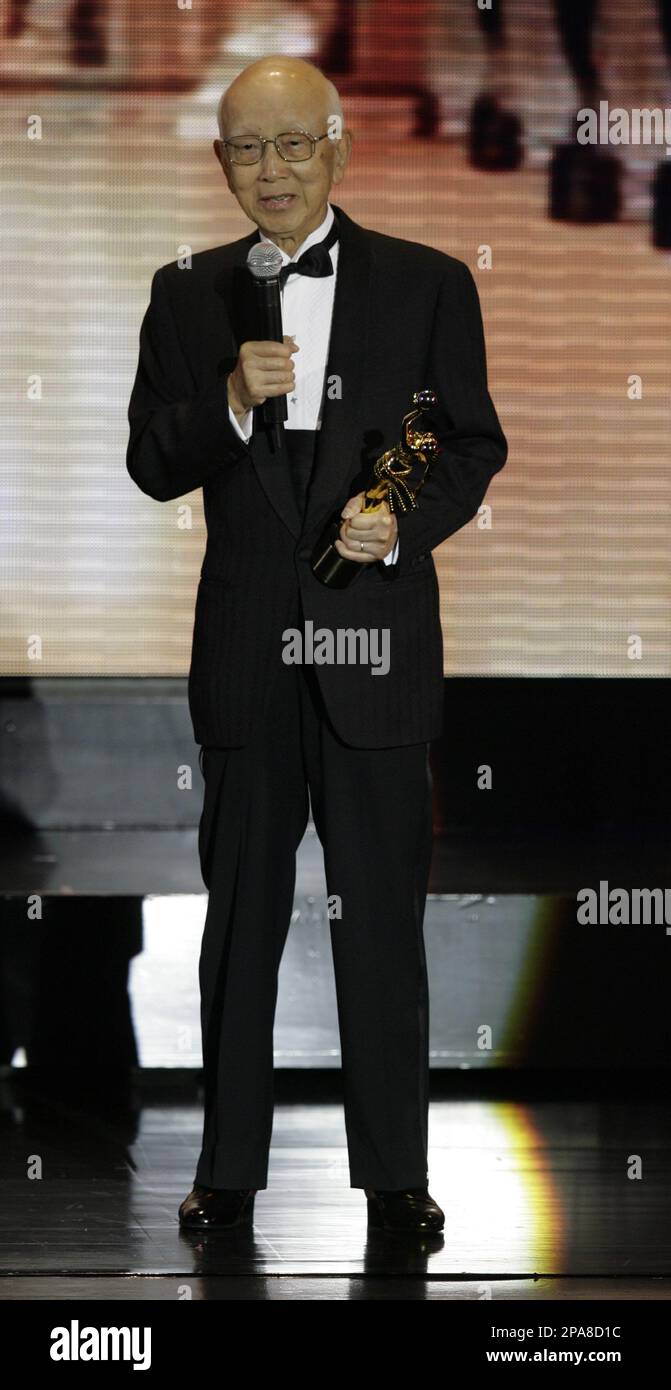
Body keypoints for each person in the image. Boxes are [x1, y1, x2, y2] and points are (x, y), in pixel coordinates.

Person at [126, 54, 508, 1234]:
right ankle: (225, 1173)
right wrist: (229, 405)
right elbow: (151, 460)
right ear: (221, 163)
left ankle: (395, 1176)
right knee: (238, 923)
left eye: (295, 144)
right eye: (248, 148)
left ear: (339, 147)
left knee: (381, 923)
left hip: (376, 659)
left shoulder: (427, 283)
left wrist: (397, 525)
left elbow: (467, 443)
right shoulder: (186, 292)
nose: (273, 169)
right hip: (245, 658)